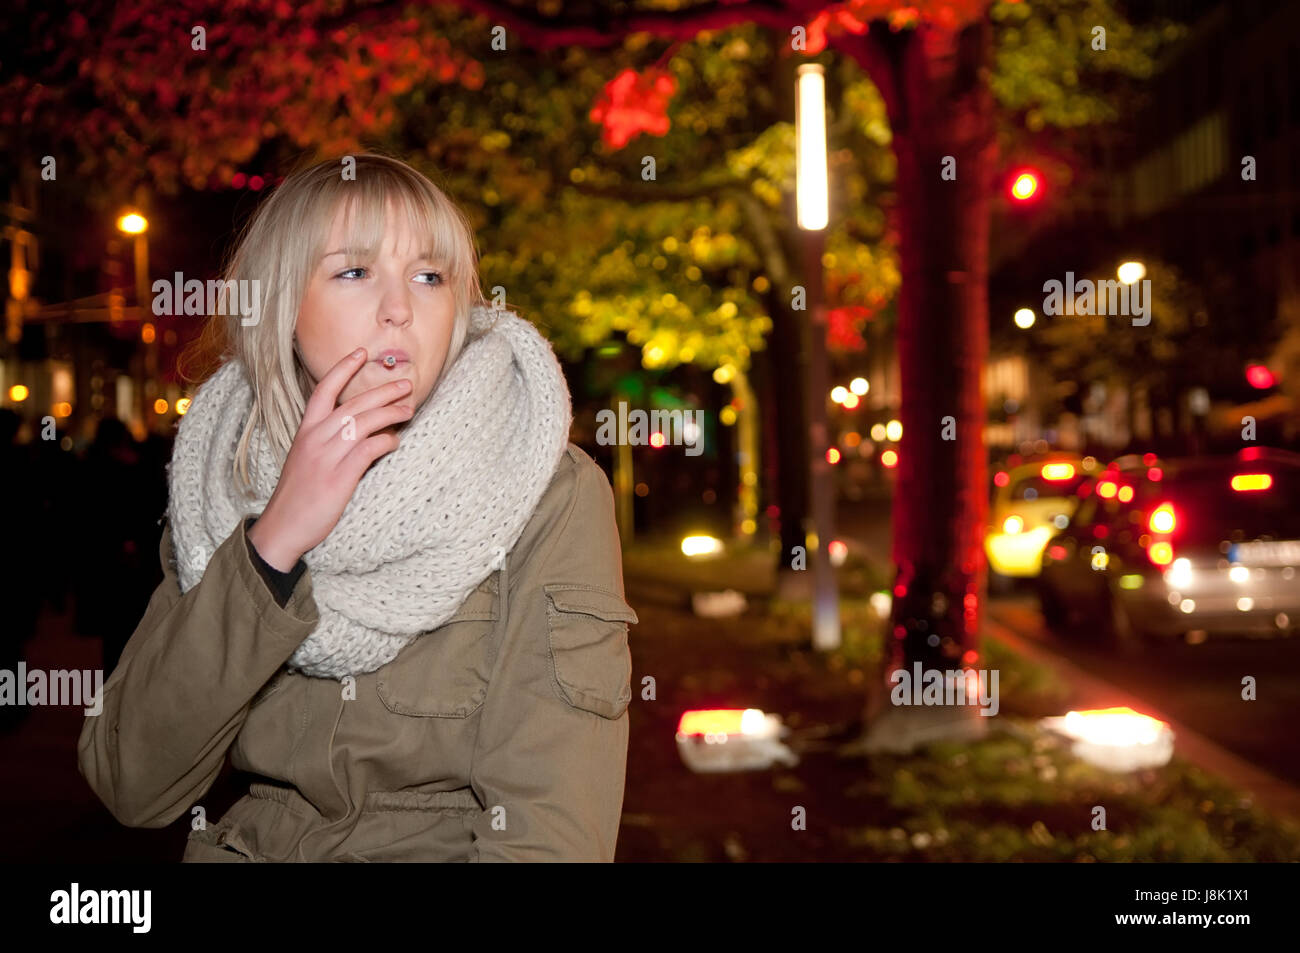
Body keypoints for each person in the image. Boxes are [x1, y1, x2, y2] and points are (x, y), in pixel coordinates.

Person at [76, 153, 639, 862]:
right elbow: (132, 781)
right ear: (282, 307)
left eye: (430, 276)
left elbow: (551, 834)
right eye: (354, 271)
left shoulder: (546, 491)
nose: (401, 307)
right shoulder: (221, 489)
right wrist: (274, 539)